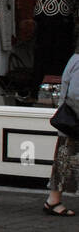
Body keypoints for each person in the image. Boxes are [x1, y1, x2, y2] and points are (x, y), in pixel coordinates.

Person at [46, 40, 79, 216]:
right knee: (64, 161)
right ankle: (53, 201)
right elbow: (76, 95)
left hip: (71, 123)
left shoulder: (75, 58)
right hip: (74, 122)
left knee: (64, 161)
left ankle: (53, 200)